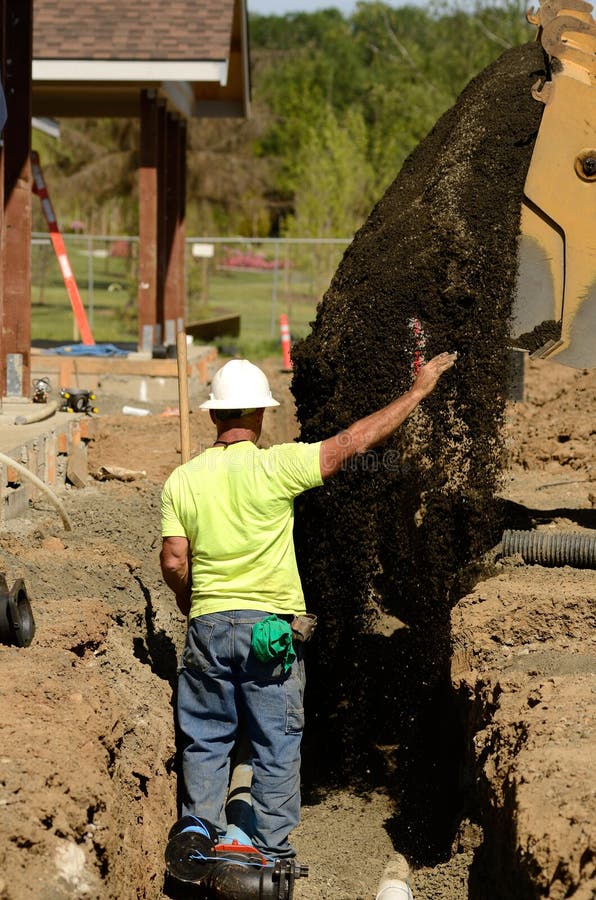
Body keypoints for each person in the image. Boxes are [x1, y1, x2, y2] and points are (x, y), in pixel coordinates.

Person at [160, 351, 456, 863]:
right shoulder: (279, 465)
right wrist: (417, 391)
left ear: (212, 415)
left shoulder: (181, 480)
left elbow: (173, 559)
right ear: (259, 416)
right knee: (275, 742)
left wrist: (193, 602)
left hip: (207, 627)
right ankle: (269, 853)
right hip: (268, 633)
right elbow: (355, 441)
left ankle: (197, 837)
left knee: (206, 740)